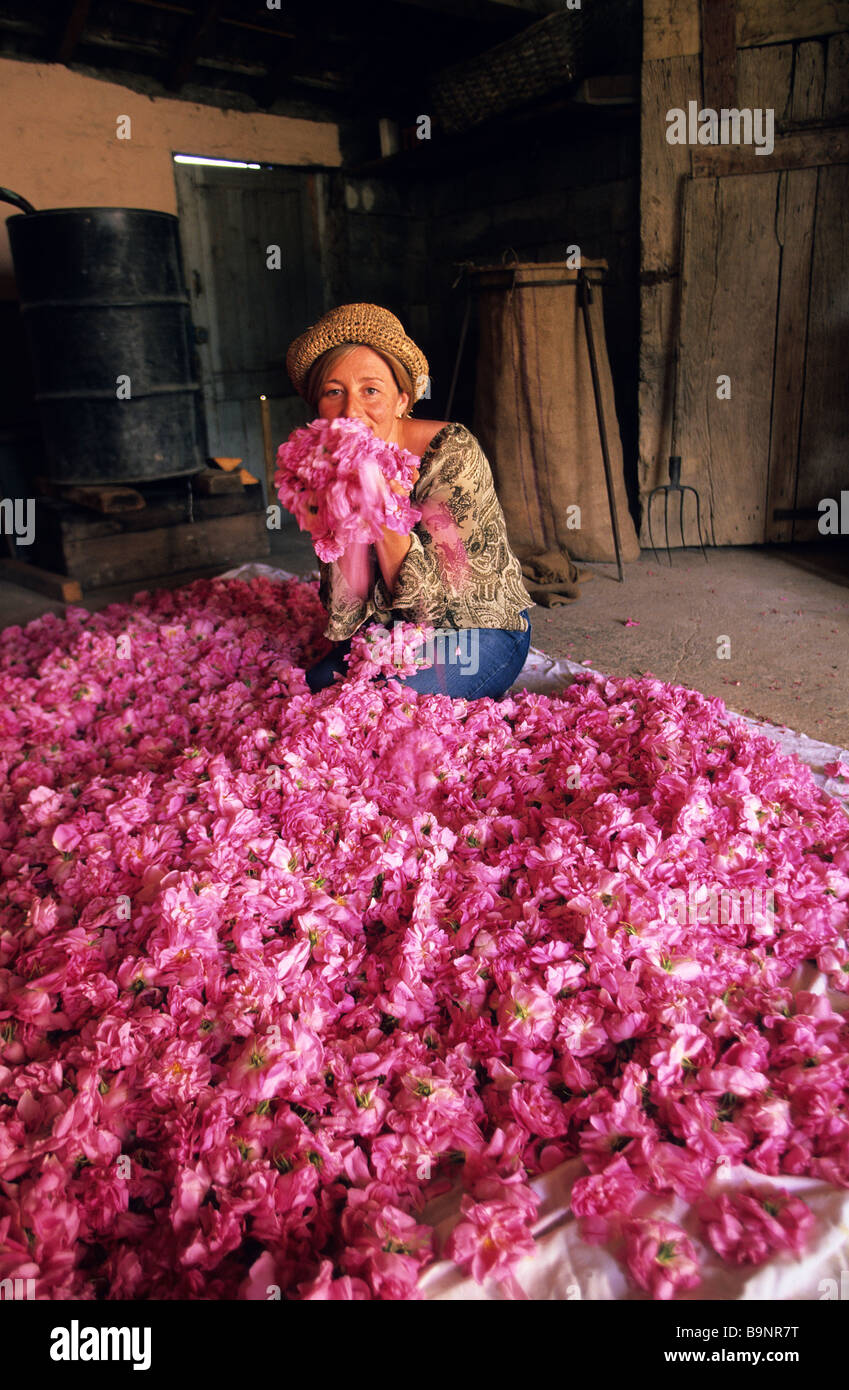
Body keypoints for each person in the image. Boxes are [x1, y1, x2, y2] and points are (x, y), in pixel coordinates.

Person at [284, 302, 534, 699]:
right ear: (318, 406)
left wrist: (385, 511)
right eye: (334, 392)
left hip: (471, 627)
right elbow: (341, 609)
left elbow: (430, 610)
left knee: (389, 704)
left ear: (402, 399)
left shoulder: (450, 453)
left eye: (371, 390)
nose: (351, 411)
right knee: (318, 688)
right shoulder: (326, 463)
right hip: (389, 632)